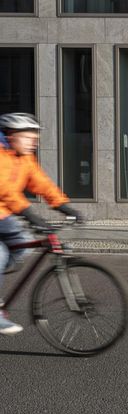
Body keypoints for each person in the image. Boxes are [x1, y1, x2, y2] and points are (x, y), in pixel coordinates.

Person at [0, 113, 83, 336]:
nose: (33, 141)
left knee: (23, 243)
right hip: (6, 210)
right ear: (11, 135)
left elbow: (42, 183)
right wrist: (30, 214)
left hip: (4, 215)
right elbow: (4, 190)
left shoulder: (24, 158)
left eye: (35, 136)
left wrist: (64, 206)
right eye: (28, 136)